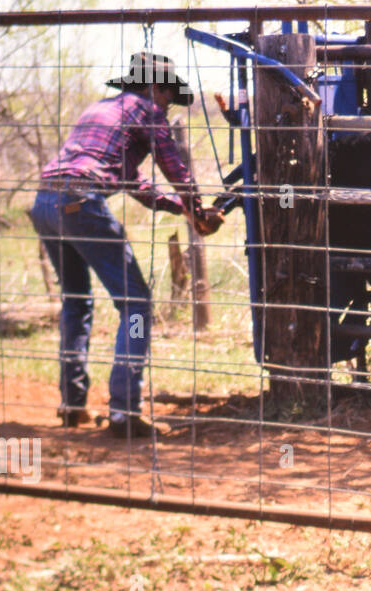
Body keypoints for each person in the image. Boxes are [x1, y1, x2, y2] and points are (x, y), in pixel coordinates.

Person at [29, 51, 224, 438]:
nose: (167, 107)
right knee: (136, 304)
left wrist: (185, 213)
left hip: (46, 203)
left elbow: (135, 182)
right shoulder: (147, 110)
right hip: (81, 203)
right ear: (156, 88)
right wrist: (198, 210)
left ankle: (72, 403)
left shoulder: (103, 110)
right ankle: (123, 412)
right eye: (168, 96)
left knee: (76, 300)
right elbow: (176, 170)